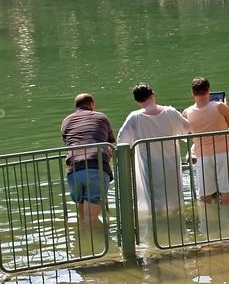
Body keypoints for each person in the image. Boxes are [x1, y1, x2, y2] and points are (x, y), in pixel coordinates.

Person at [117, 83, 189, 215]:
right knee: (174, 196)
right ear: (153, 94)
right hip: (171, 161)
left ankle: (158, 228)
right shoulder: (170, 112)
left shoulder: (134, 117)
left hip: (149, 163)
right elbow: (187, 129)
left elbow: (122, 140)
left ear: (138, 101)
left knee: (154, 199)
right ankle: (176, 226)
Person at [183, 77, 229, 205]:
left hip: (202, 155)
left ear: (192, 92)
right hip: (223, 152)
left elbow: (182, 132)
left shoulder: (187, 112)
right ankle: (228, 220)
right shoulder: (220, 106)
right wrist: (227, 108)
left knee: (205, 193)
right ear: (208, 90)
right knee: (227, 190)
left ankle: (209, 221)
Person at [60, 93, 115, 225]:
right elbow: (111, 144)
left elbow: (69, 142)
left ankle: (83, 243)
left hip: (74, 170)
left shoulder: (66, 121)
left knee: (83, 217)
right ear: (91, 105)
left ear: (76, 106)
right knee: (92, 218)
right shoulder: (101, 117)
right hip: (96, 167)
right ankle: (98, 244)